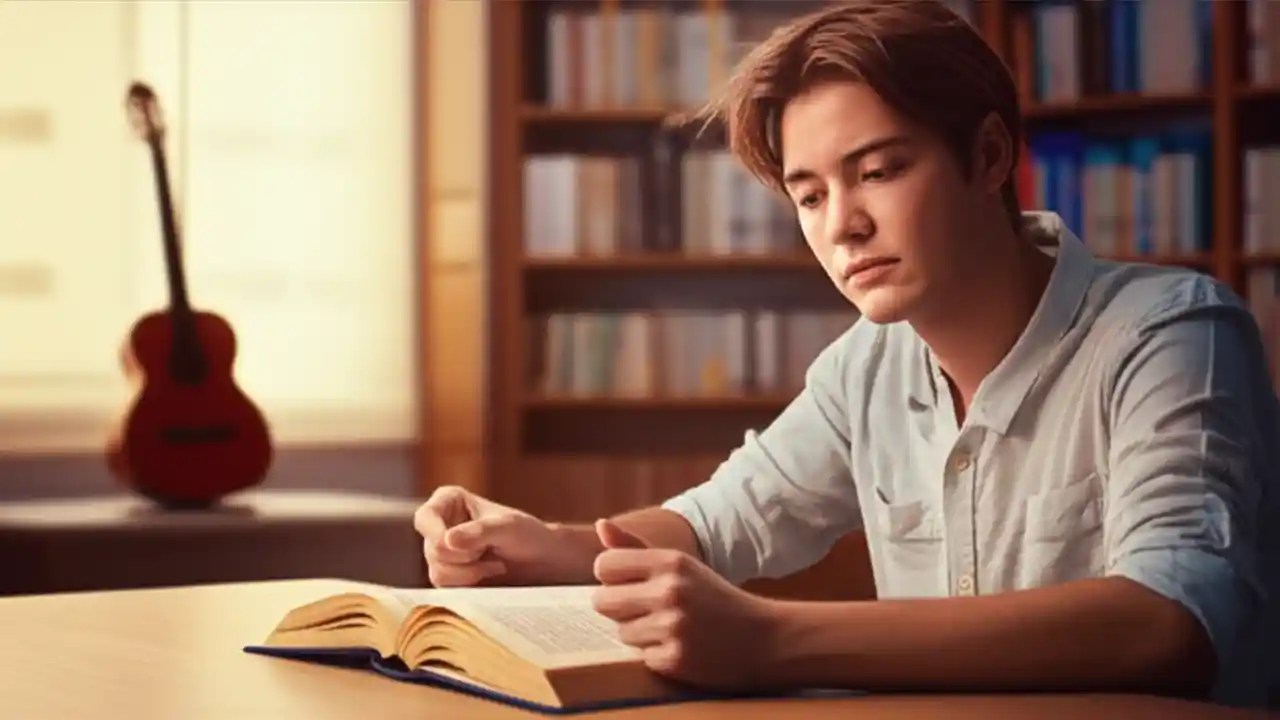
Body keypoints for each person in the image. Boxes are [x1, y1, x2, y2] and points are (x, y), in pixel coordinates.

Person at [414, 0, 1278, 707]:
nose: (843, 224)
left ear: (987, 156)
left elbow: (1170, 621)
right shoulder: (867, 366)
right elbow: (724, 523)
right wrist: (544, 547)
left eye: (878, 171)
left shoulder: (1170, 333)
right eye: (811, 193)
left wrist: (773, 639)